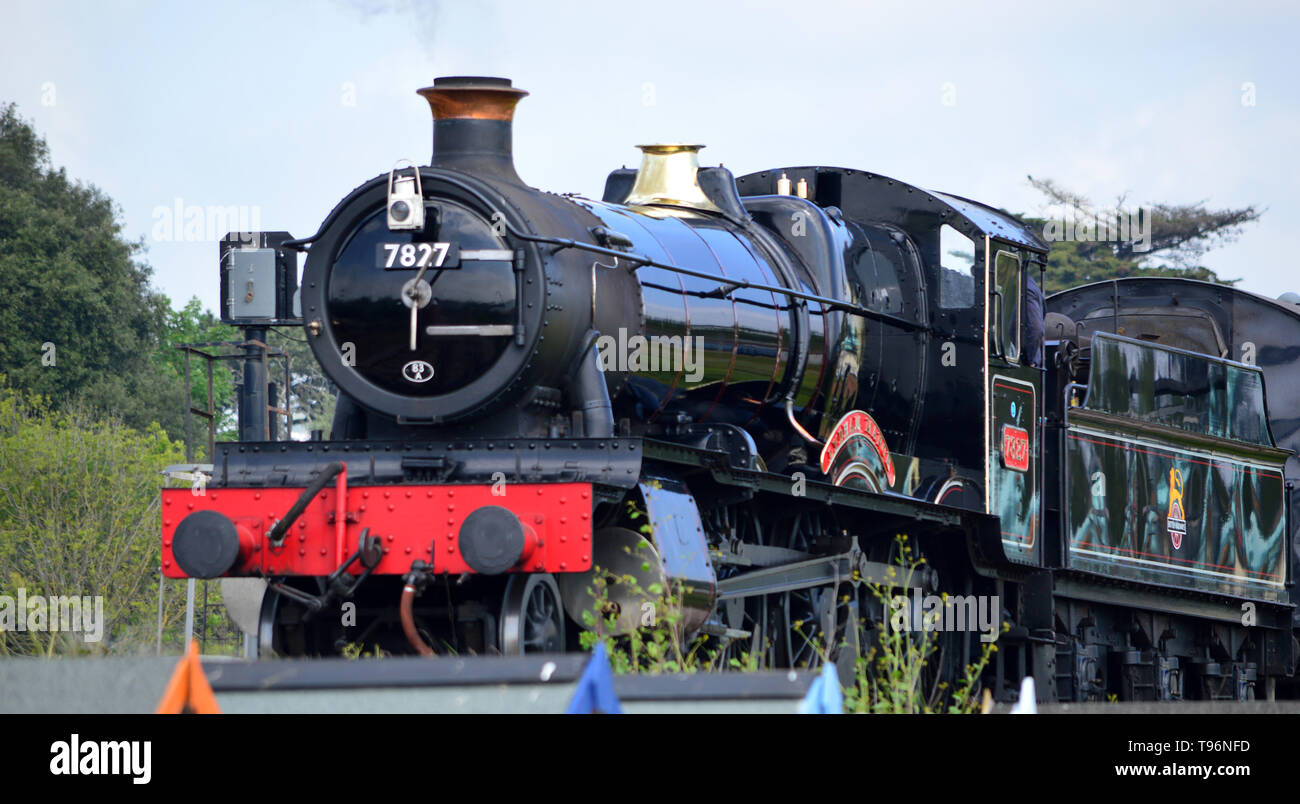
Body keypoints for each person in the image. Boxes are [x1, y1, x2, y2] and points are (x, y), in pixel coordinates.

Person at [1021, 273, 1044, 368]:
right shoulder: (1028, 284)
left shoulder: (1026, 288)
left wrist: (1029, 359)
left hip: (1025, 364)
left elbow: (1036, 328)